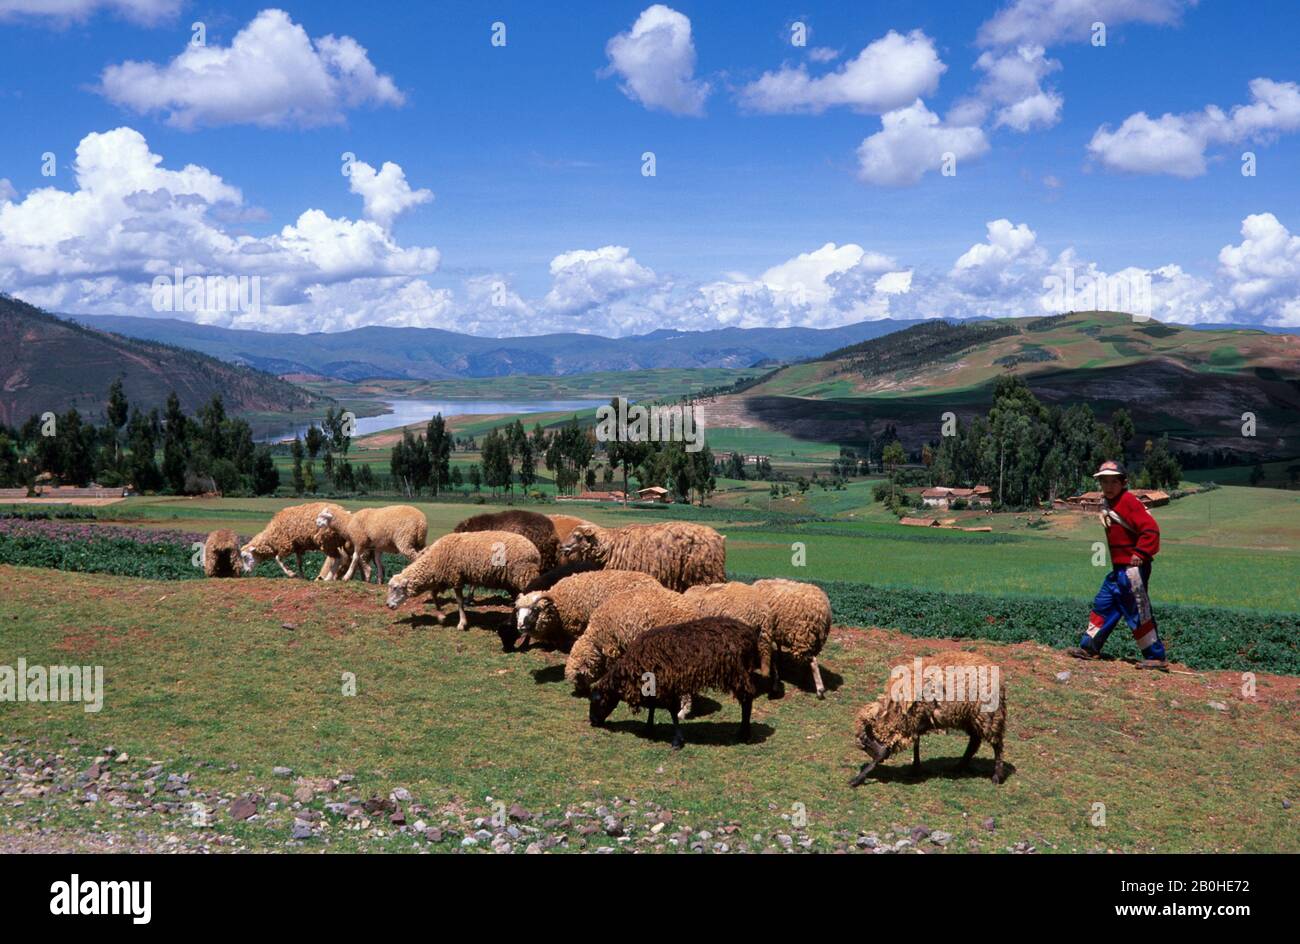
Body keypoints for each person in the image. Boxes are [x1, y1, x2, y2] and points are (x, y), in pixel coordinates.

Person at [1067, 460, 1169, 670]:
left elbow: (1151, 529)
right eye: (1104, 482)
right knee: (1104, 604)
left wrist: (1140, 552)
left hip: (1133, 569)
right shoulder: (1109, 503)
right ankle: (1090, 647)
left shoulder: (1129, 502)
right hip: (1119, 569)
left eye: (1114, 482)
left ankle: (1156, 656)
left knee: (1138, 610)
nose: (1109, 486)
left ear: (1123, 483)